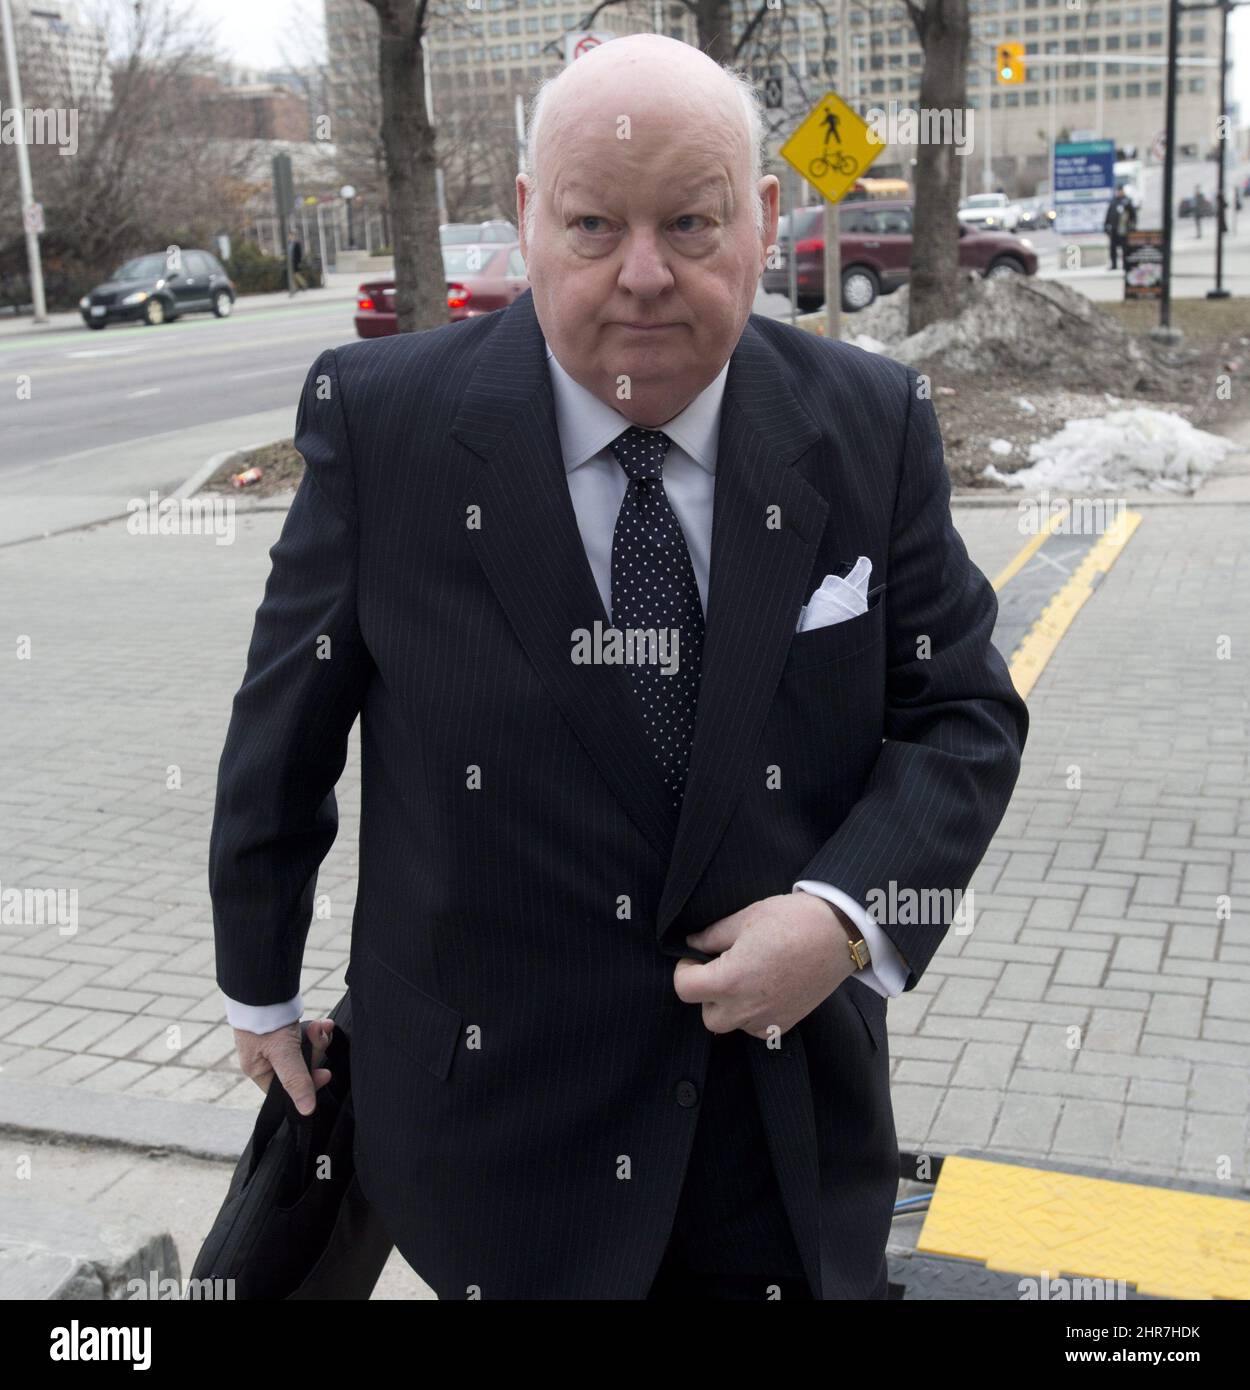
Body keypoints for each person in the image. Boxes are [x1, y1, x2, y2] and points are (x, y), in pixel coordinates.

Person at [209, 34, 1027, 1301]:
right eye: (592, 225)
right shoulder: (386, 425)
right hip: (492, 1135)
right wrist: (257, 985)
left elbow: (961, 711)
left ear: (760, 220)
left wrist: (845, 920)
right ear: (530, 219)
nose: (641, 276)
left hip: (776, 1117)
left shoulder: (871, 424)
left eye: (689, 225)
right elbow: (286, 725)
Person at [1104, 185, 1136, 270]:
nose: (1118, 193)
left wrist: (1132, 227)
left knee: (1125, 247)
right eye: (1117, 191)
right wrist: (1106, 225)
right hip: (1113, 228)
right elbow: (1108, 214)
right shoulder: (1113, 201)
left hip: (1123, 229)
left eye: (1120, 191)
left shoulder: (1127, 201)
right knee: (1112, 248)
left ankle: (1126, 265)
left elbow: (1133, 216)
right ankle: (1114, 265)